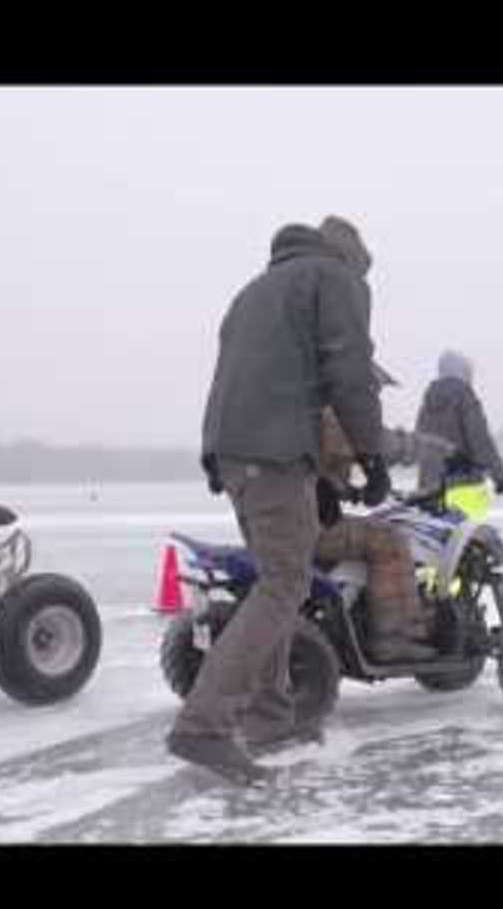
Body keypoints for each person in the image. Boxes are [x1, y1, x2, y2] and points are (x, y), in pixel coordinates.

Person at [166, 215, 387, 786]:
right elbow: (351, 374)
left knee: (277, 578)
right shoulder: (335, 281)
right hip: (272, 453)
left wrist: (317, 478)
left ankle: (271, 716)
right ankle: (204, 725)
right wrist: (374, 456)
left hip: (234, 451)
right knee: (285, 582)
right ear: (351, 259)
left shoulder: (256, 292)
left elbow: (274, 381)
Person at [313, 362, 454, 665]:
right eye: (373, 391)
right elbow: (379, 442)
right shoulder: (336, 415)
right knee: (390, 542)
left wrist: (349, 490)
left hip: (295, 519)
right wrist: (438, 449)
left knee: (375, 527)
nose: (375, 398)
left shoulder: (312, 412)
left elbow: (324, 470)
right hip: (314, 528)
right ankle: (396, 640)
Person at [414, 350, 503, 520]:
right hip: (464, 486)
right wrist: (499, 475)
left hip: (430, 489)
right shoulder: (465, 396)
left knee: (438, 540)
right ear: (462, 371)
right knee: (469, 540)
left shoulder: (428, 403)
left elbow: (419, 443)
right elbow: (480, 439)